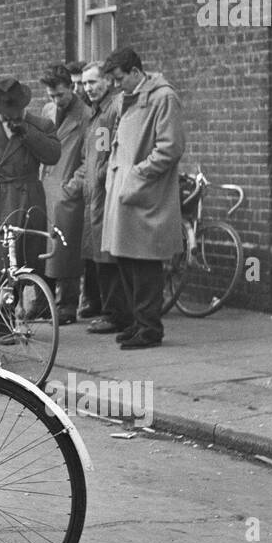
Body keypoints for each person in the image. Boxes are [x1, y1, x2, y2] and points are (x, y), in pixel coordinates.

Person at [100, 47, 186, 349]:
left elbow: (170, 148)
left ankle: (150, 328)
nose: (116, 85)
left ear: (136, 72)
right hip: (126, 192)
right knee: (126, 260)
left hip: (145, 194)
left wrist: (136, 174)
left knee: (145, 264)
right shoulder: (128, 97)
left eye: (120, 78)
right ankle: (138, 322)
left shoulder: (163, 98)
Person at [0, 77, 60, 288]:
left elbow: (52, 156)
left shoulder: (41, 125)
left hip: (28, 200)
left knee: (28, 265)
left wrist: (26, 133)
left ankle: (35, 309)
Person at [65, 61, 130, 333]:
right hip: (94, 193)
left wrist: (101, 175)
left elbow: (106, 153)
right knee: (97, 255)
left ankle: (115, 314)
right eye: (84, 83)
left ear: (107, 81)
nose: (86, 88)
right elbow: (91, 156)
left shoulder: (108, 111)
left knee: (107, 257)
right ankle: (104, 307)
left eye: (92, 82)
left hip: (104, 193)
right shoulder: (97, 113)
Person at [38, 63, 90, 324]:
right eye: (51, 96)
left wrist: (72, 187)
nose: (56, 101)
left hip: (67, 190)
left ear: (72, 87)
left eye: (60, 95)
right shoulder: (47, 110)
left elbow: (90, 159)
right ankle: (41, 302)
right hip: (46, 188)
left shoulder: (88, 115)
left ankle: (67, 306)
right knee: (43, 247)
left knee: (66, 250)